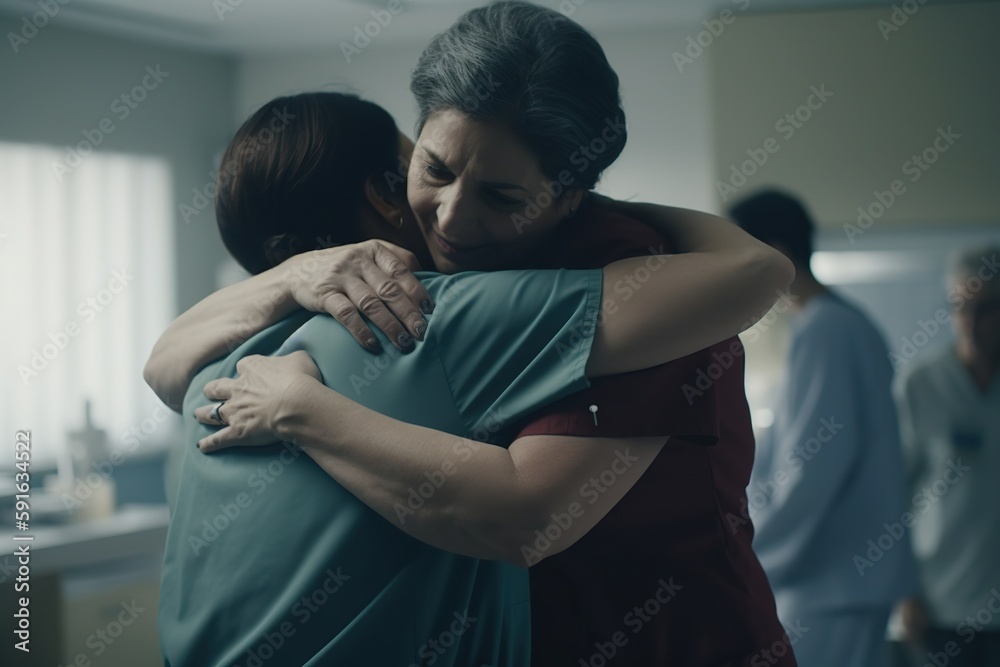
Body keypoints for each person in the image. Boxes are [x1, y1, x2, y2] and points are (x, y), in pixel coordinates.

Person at [149, 3, 796, 664]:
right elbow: (164, 367)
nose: (451, 218)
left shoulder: (633, 277)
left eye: (502, 197)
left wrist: (300, 410)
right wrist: (294, 274)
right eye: (434, 170)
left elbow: (526, 515)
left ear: (570, 195)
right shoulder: (393, 288)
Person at [728, 188, 919, 666]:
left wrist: (746, 553)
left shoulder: (826, 330)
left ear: (776, 254)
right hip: (840, 580)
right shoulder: (840, 324)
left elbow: (814, 467)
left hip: (830, 583)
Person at [893, 243, 1000, 667]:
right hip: (942, 607)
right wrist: (904, 592)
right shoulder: (921, 386)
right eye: (960, 307)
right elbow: (893, 497)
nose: (970, 324)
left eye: (987, 308)